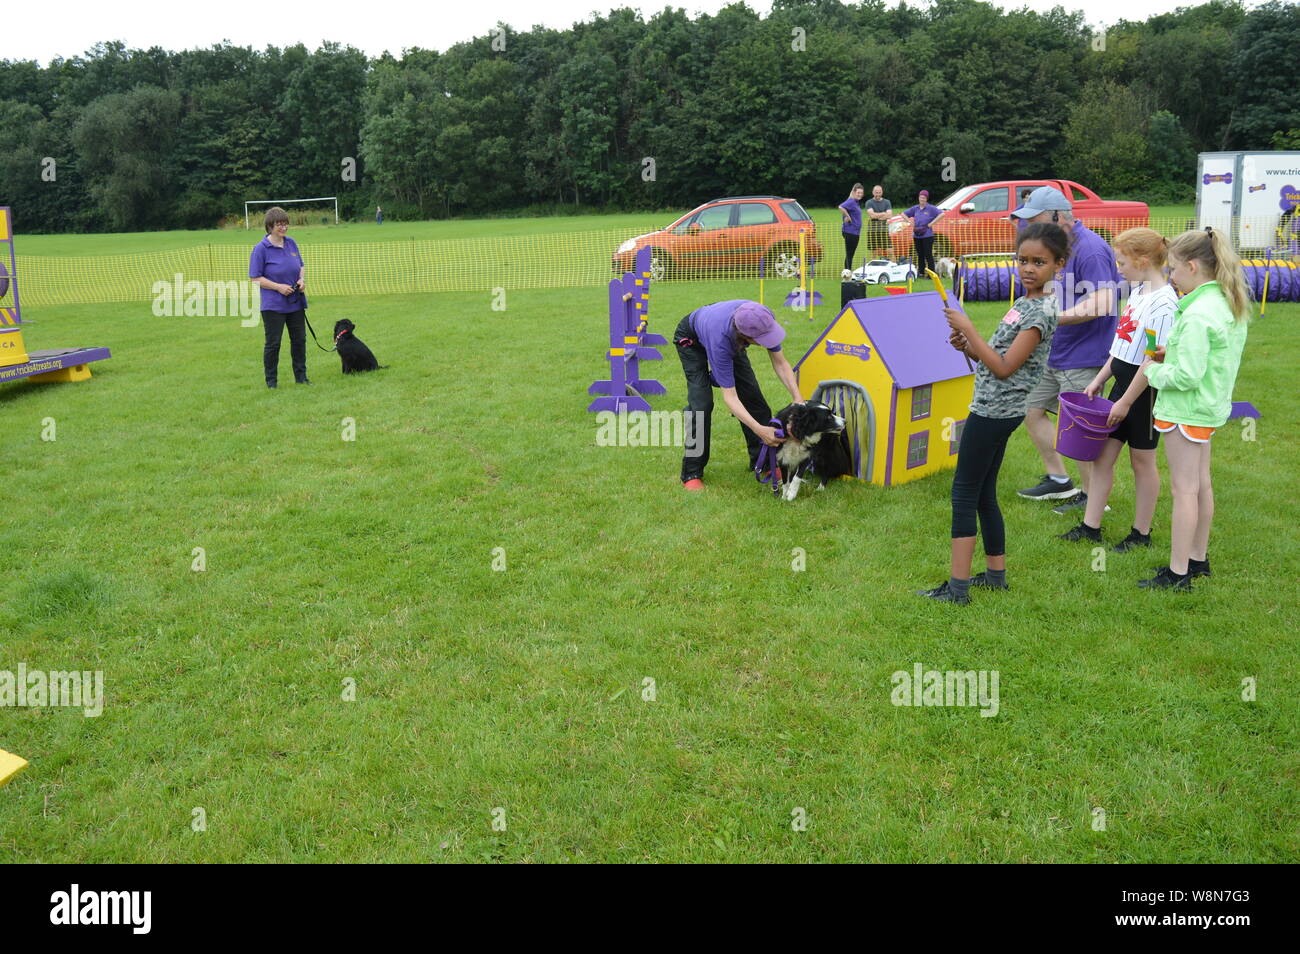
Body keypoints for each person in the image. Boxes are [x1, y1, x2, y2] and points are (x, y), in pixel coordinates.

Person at [919, 223, 1068, 603]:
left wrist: (969, 327)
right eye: (1023, 260)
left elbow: (1004, 368)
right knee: (985, 493)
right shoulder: (1024, 304)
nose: (1029, 268)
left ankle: (958, 589)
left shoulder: (1039, 312)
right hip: (995, 407)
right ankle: (995, 576)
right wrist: (967, 345)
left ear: (1059, 265)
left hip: (994, 412)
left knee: (963, 493)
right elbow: (995, 357)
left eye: (1040, 261)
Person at [1136, 227, 1250, 590]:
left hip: (1186, 410)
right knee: (1201, 486)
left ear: (1191, 266)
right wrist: (1175, 354)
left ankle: (1178, 572)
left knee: (1184, 491)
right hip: (1208, 407)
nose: (1170, 277)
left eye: (1172, 270)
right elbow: (1211, 357)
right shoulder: (1225, 302)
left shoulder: (1198, 312)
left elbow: (1186, 376)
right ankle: (1197, 559)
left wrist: (1153, 369)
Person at [1059, 228, 1178, 550]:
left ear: (1141, 260)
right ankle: (1090, 526)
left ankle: (1141, 534)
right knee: (1102, 458)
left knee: (1142, 461)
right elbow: (1123, 345)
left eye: (1121, 261)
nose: (1117, 268)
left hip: (1144, 394)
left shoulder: (1164, 303)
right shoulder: (1138, 292)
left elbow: (1151, 358)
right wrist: (1101, 378)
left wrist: (1125, 402)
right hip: (1121, 389)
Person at [1011, 186, 1121, 514]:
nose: (1027, 228)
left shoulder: (1090, 250)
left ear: (1060, 217)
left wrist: (1054, 318)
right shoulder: (1051, 247)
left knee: (1080, 429)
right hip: (1054, 351)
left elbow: (1104, 302)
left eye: (1035, 220)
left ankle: (1093, 498)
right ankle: (1059, 481)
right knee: (1032, 410)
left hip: (1085, 354)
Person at [675, 301, 803, 490]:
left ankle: (765, 463)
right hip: (692, 340)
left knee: (754, 400)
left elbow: (781, 363)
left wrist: (798, 399)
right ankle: (692, 472)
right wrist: (760, 430)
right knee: (701, 405)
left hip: (726, 334)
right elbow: (731, 398)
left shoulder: (762, 318)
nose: (768, 340)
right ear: (747, 337)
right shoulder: (722, 341)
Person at [249, 206, 309, 388]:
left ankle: (301, 378)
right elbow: (255, 278)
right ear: (270, 226)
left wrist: (301, 280)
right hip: (273, 305)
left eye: (285, 224)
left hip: (295, 303)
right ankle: (271, 382)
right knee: (273, 344)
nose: (283, 228)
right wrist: (278, 287)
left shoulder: (291, 243)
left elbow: (300, 265)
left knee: (299, 340)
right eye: (279, 225)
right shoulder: (261, 249)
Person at [904, 190, 942, 277]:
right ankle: (921, 272)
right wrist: (910, 222)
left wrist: (931, 224)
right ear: (919, 198)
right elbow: (903, 214)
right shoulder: (915, 208)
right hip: (917, 235)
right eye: (921, 197)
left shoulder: (931, 208)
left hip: (927, 235)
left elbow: (941, 214)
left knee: (928, 254)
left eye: (924, 198)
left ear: (926, 199)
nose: (922, 199)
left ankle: (931, 273)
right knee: (920, 255)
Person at [839, 183, 865, 278]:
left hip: (855, 232)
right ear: (854, 192)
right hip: (850, 231)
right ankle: (847, 273)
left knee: (850, 253)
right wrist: (847, 216)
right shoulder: (851, 201)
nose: (860, 194)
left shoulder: (855, 202)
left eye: (861, 193)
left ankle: (847, 272)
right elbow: (841, 207)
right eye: (858, 192)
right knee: (850, 253)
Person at [863, 185, 892, 259]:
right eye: (876, 192)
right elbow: (872, 216)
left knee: (889, 250)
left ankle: (891, 265)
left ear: (882, 192)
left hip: (884, 229)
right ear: (873, 192)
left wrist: (877, 216)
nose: (878, 194)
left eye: (879, 192)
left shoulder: (887, 202)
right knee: (874, 251)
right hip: (873, 230)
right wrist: (883, 214)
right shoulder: (869, 202)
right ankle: (873, 267)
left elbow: (889, 215)